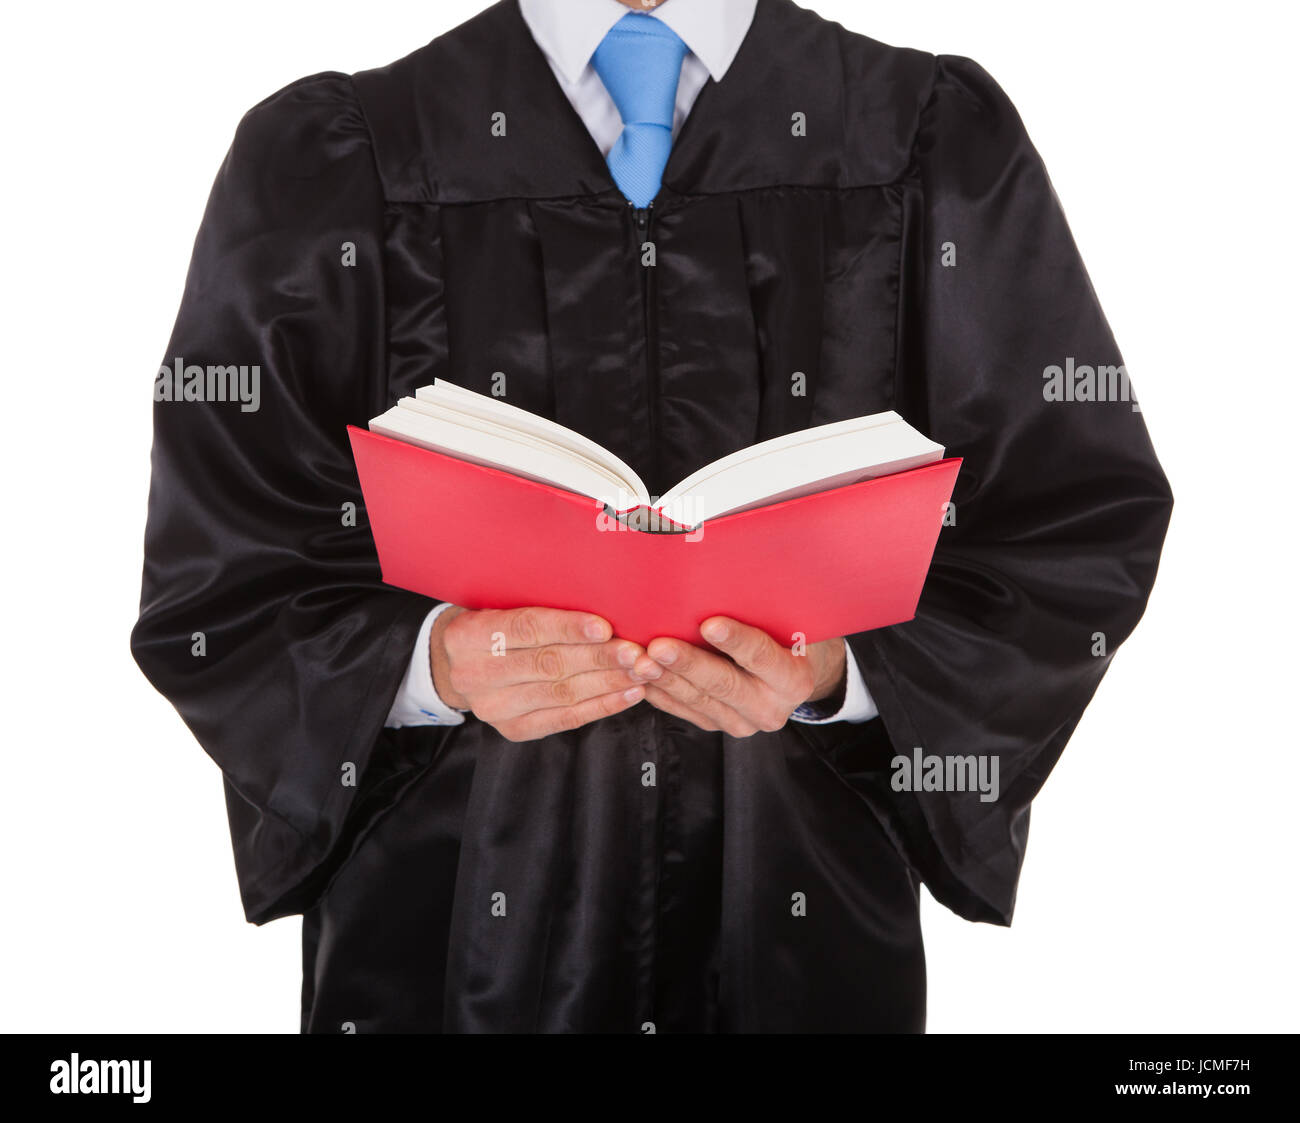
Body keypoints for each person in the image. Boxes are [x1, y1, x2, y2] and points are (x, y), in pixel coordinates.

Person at [132, 0, 1173, 1032]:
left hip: (799, 940)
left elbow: (1070, 521)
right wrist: (431, 667)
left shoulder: (921, 135)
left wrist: (841, 675)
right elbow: (223, 574)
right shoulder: (339, 156)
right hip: (441, 952)